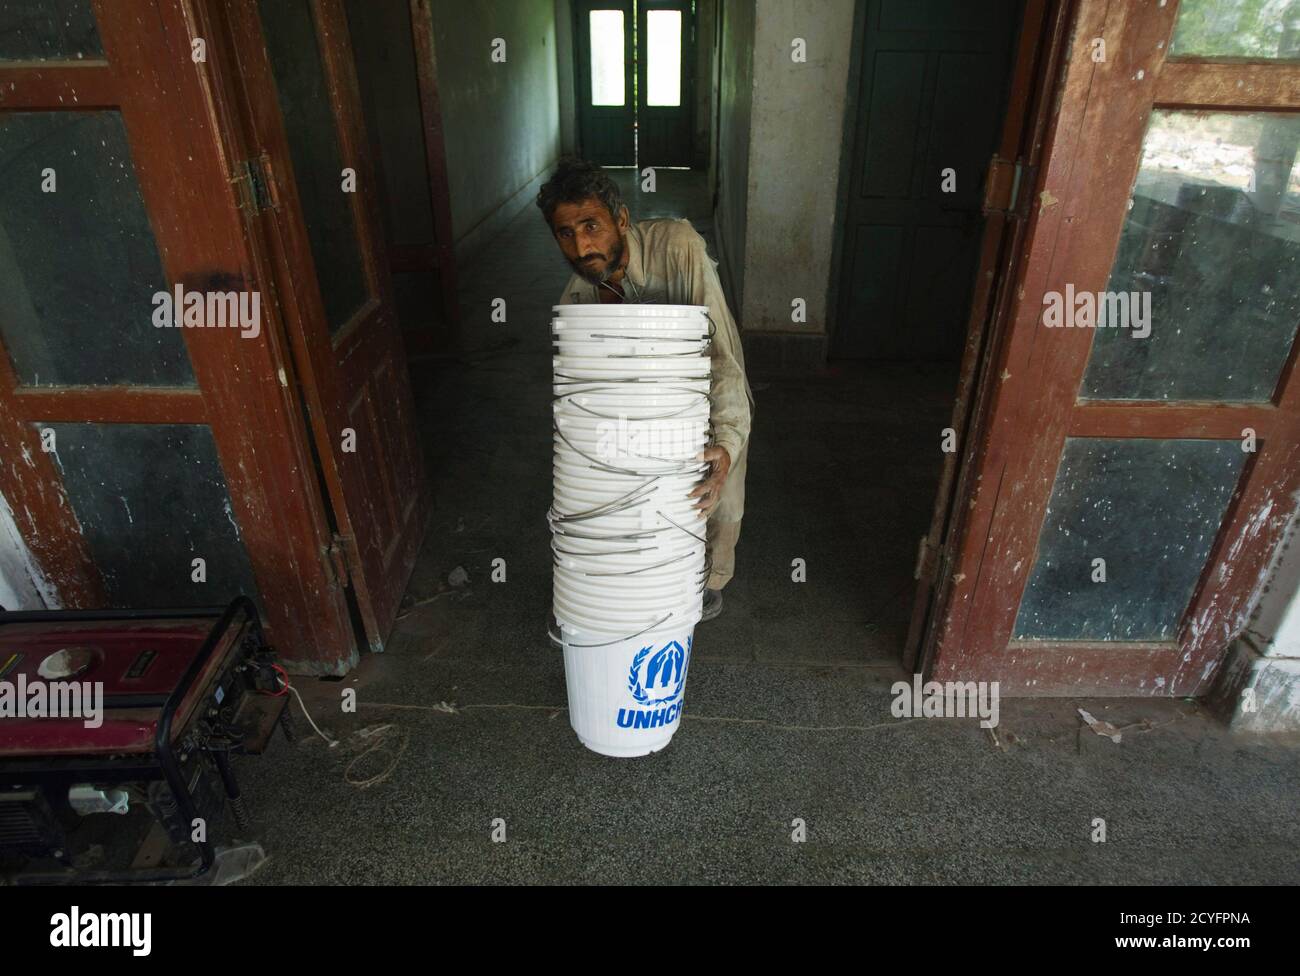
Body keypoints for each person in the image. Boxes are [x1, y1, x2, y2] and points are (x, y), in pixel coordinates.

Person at [538, 156, 754, 621]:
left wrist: (728, 443)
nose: (581, 245)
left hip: (692, 396)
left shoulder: (678, 246)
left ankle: (709, 579)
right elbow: (576, 397)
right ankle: (637, 566)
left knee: (719, 486)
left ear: (620, 219)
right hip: (635, 413)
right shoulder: (576, 298)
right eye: (566, 233)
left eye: (592, 225)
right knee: (634, 492)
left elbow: (723, 358)